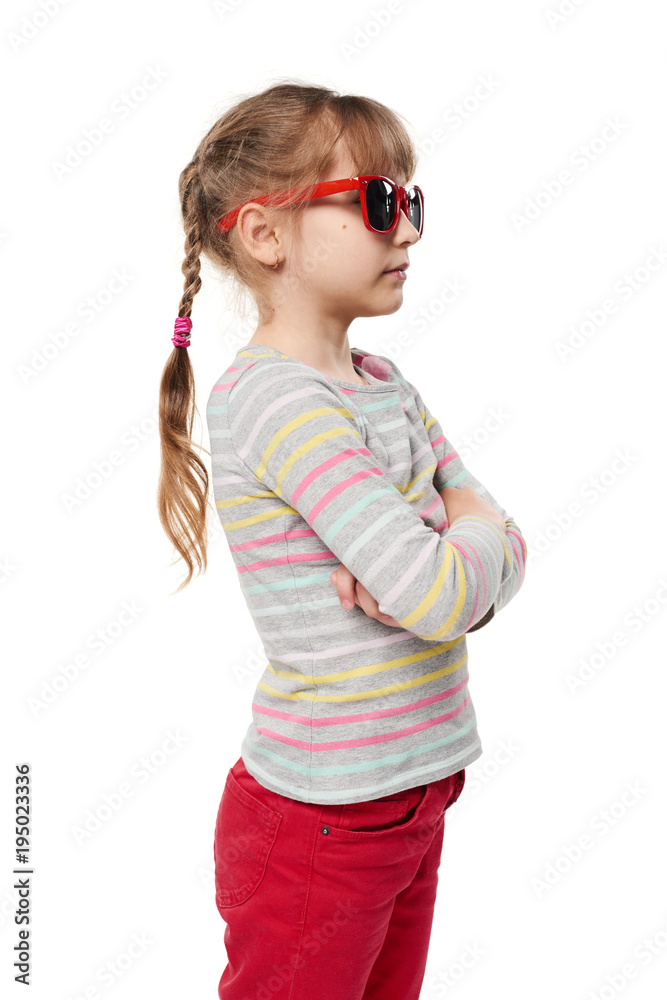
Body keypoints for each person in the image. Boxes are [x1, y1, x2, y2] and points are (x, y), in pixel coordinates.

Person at [157, 80, 527, 1000]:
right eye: (375, 202)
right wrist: (453, 544)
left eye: (409, 201)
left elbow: (499, 544)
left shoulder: (383, 382)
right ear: (265, 235)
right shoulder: (280, 402)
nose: (405, 230)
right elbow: (441, 592)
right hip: (324, 821)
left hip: (411, 795)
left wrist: (457, 548)